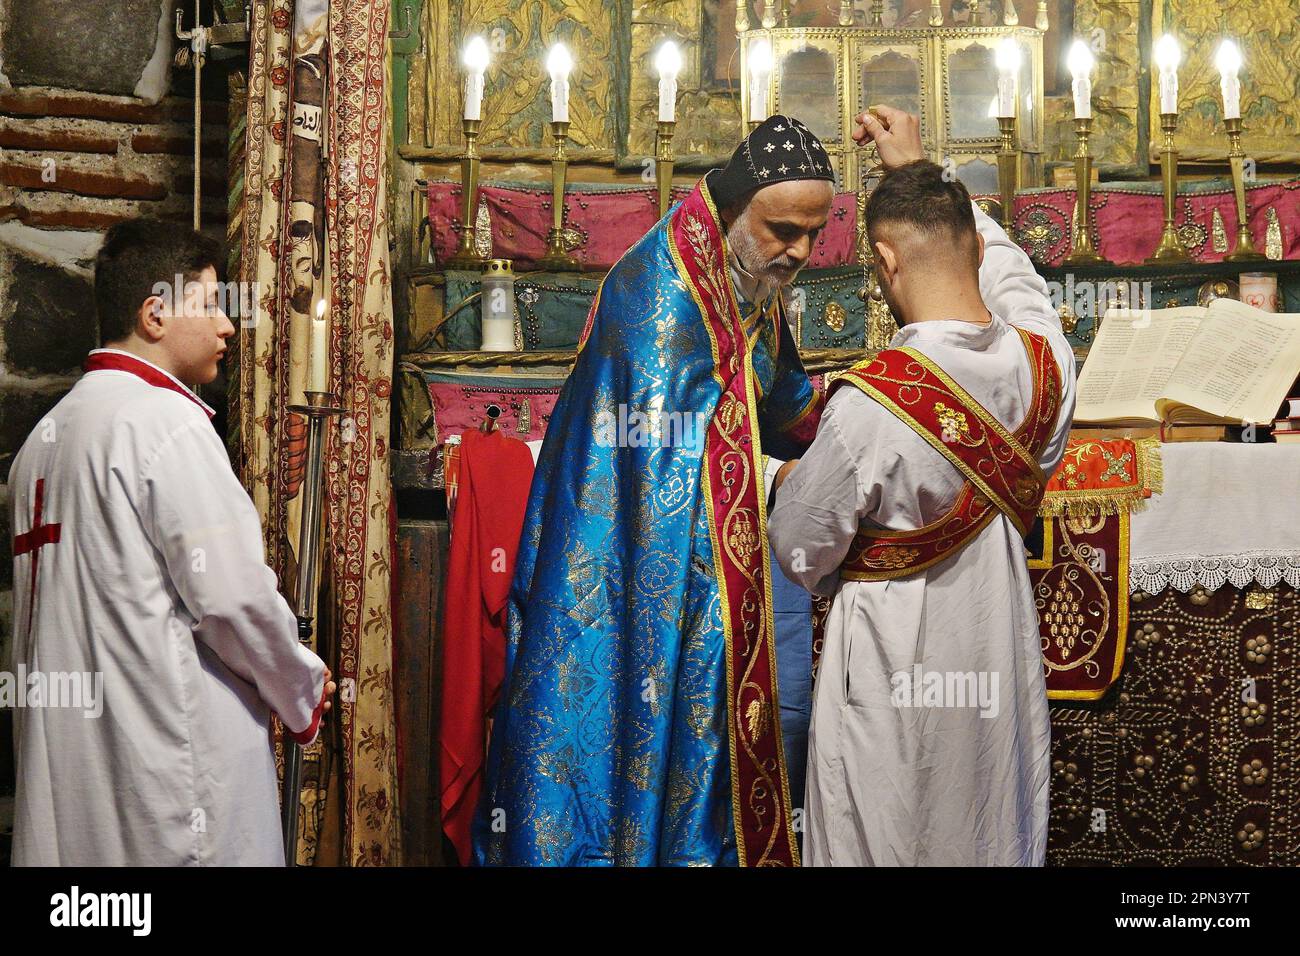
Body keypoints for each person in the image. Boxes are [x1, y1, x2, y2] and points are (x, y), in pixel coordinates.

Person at [472, 115, 832, 866]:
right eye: (784, 229)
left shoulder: (745, 270)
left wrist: (863, 417)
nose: (799, 250)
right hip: (621, 567)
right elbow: (660, 470)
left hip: (699, 552)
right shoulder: (659, 300)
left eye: (814, 232)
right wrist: (770, 477)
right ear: (737, 208)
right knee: (642, 729)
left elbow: (784, 399)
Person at [768, 107, 1078, 866]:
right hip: (995, 665)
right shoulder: (1047, 370)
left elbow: (799, 546)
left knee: (888, 827)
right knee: (987, 825)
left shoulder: (870, 406)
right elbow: (1016, 284)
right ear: (974, 242)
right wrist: (923, 175)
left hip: (889, 674)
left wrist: (772, 471)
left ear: (883, 261)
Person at [9, 218, 334, 866]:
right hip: (167, 779)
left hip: (72, 774)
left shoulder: (43, 441)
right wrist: (301, 685)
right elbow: (232, 597)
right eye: (210, 304)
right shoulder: (165, 422)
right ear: (155, 314)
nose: (227, 327)